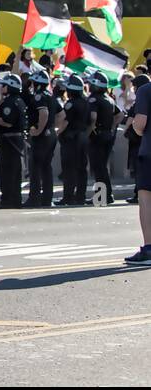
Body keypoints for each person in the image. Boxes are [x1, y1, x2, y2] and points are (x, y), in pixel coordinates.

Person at [124, 74, 151, 264]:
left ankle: (149, 248)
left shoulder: (146, 90)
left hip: (149, 152)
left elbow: (140, 123)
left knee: (146, 198)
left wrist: (136, 127)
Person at [0, 72, 28, 209]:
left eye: (4, 85)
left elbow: (8, 123)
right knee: (14, 171)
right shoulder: (18, 100)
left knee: (7, 171)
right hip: (14, 140)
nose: (1, 87)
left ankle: (8, 200)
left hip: (9, 141)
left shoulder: (10, 103)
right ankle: (14, 199)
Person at [25, 68, 59, 207]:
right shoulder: (50, 95)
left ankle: (34, 199)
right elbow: (61, 115)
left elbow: (43, 113)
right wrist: (53, 128)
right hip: (50, 134)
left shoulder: (39, 96)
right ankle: (47, 198)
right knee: (46, 168)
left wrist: (39, 130)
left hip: (42, 137)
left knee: (36, 169)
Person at [55, 73, 91, 206]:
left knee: (69, 169)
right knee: (81, 168)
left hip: (71, 139)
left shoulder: (71, 104)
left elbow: (65, 121)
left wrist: (58, 133)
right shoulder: (86, 102)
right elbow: (91, 121)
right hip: (82, 137)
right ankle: (80, 196)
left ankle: (68, 197)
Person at [87, 72, 118, 206]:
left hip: (97, 137)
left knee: (98, 167)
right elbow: (120, 115)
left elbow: (93, 118)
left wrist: (88, 132)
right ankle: (106, 195)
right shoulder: (109, 99)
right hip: (107, 135)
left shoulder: (94, 99)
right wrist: (111, 128)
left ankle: (102, 197)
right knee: (102, 167)